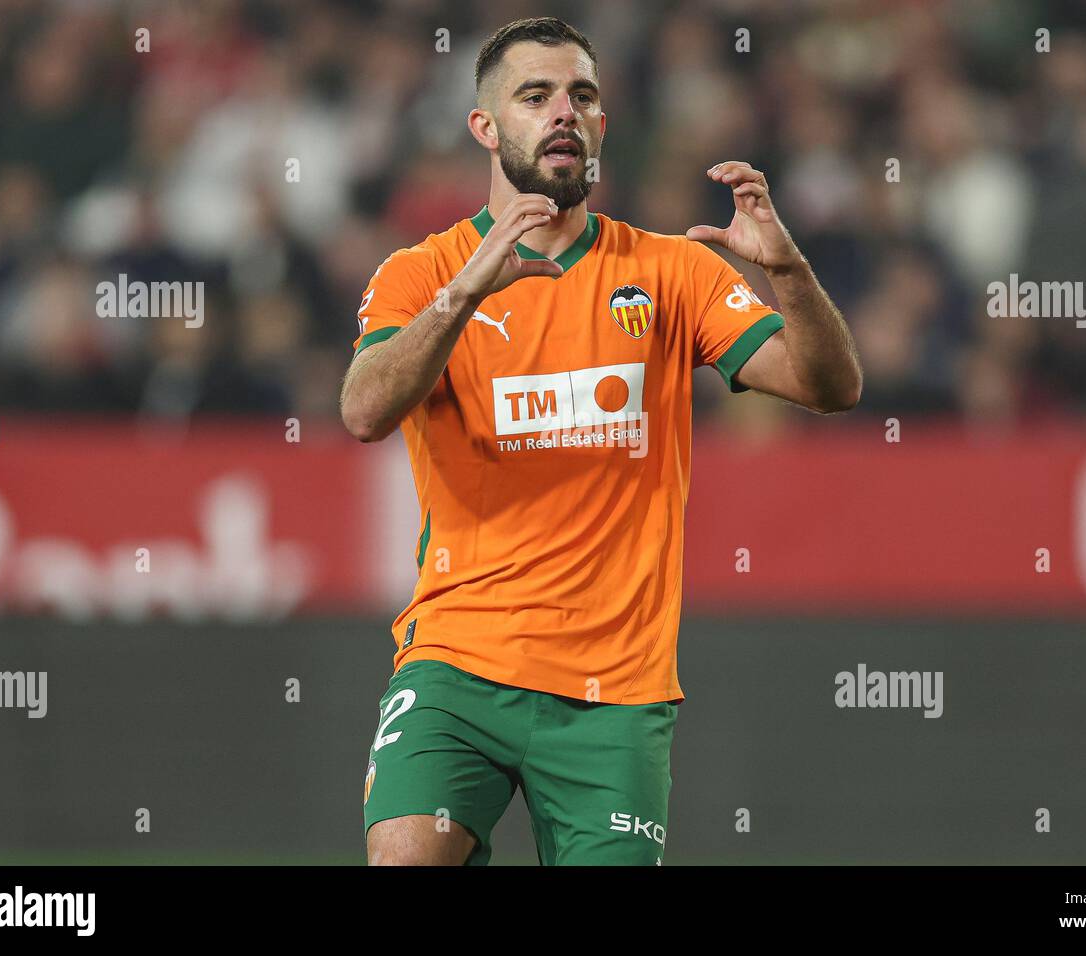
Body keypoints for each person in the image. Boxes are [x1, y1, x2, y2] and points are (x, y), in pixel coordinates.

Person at [340, 17, 861, 865]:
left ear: (603, 123)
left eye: (582, 95)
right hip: (457, 662)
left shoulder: (672, 271)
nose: (563, 113)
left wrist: (789, 272)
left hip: (614, 690)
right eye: (535, 95)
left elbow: (831, 389)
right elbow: (363, 411)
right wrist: (467, 292)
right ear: (485, 126)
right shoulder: (423, 274)